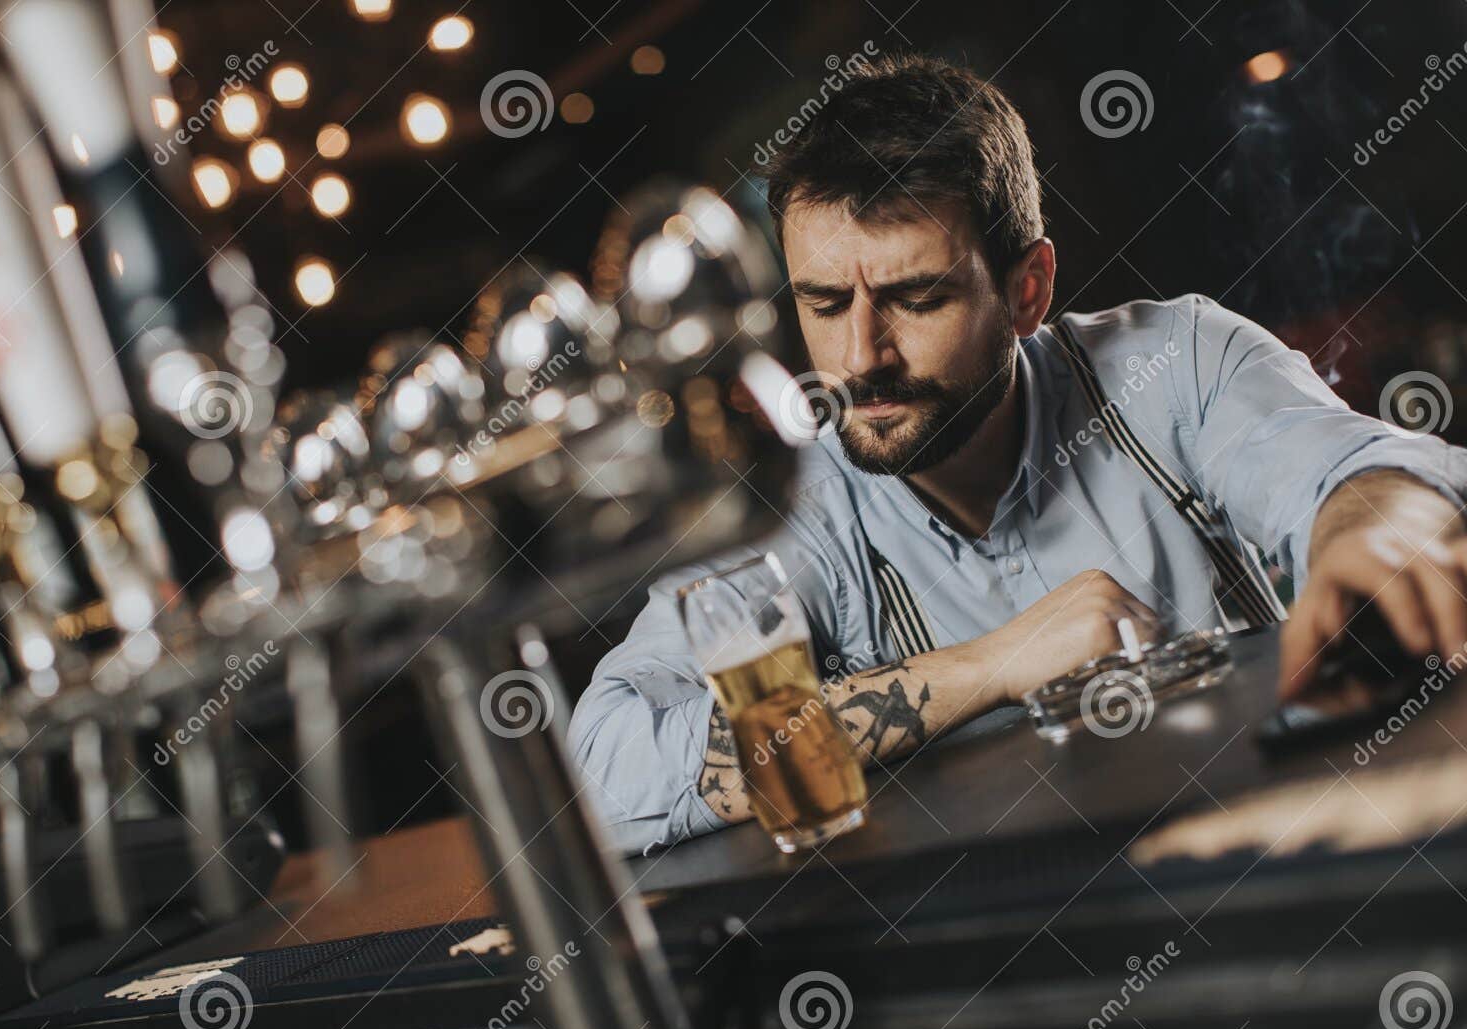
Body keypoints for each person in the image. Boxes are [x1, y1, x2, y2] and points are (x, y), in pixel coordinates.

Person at [569, 53, 1467, 855]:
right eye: (824, 302)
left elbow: (1360, 472)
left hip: (1263, 862)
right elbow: (607, 771)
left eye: (916, 298)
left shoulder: (1173, 362)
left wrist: (1374, 531)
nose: (860, 358)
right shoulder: (794, 502)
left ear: (1027, 288)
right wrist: (989, 666)